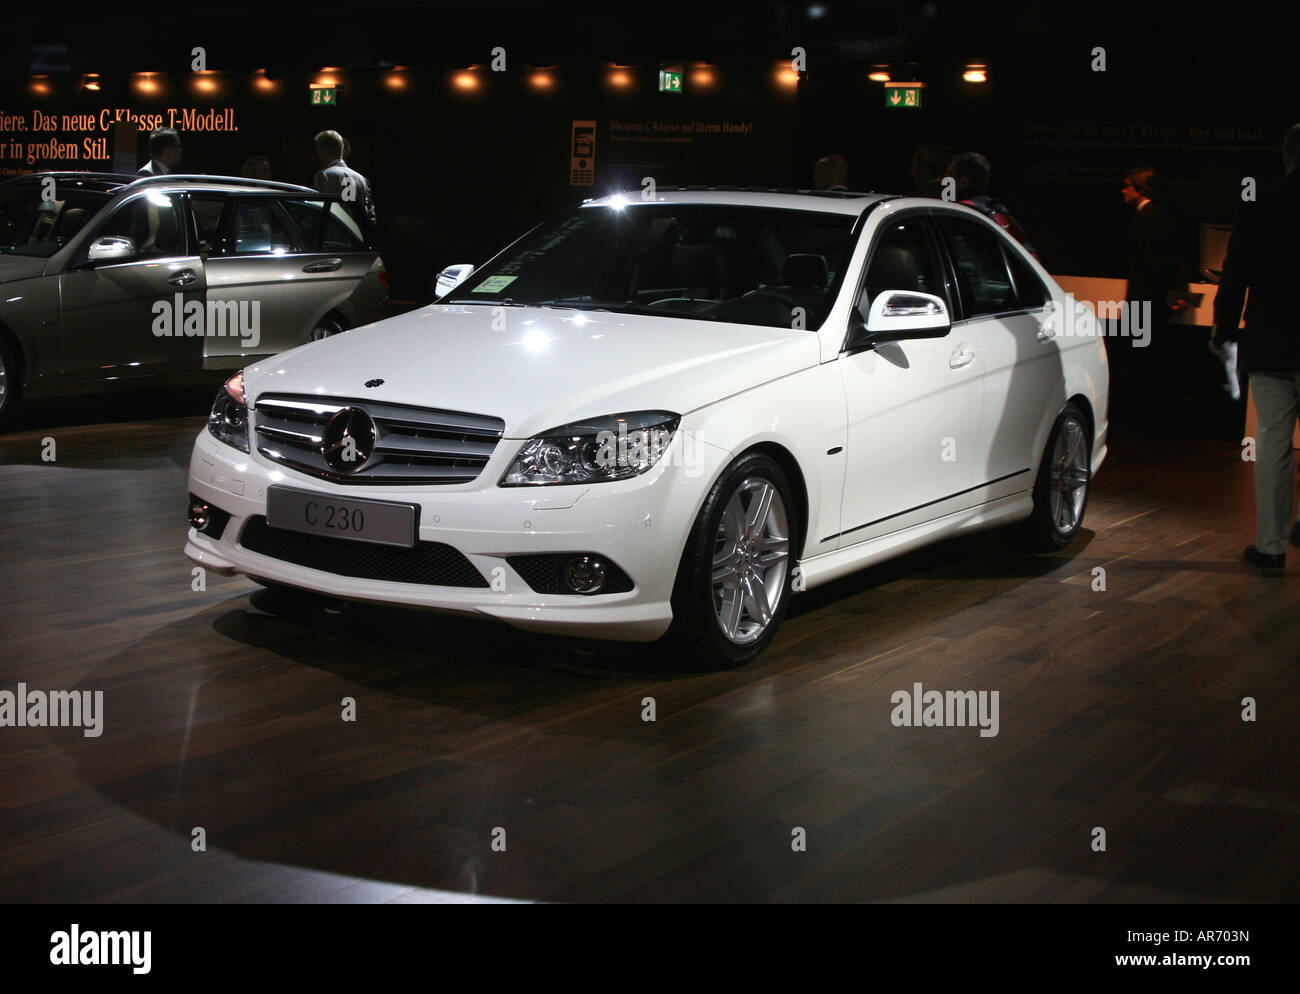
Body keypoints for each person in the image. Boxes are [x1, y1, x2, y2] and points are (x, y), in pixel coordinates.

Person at [1211, 123, 1300, 572]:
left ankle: (1271, 545)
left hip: (1273, 337)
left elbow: (1235, 273)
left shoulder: (1260, 202)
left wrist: (1224, 329)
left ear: (1287, 157)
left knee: (1273, 443)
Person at [945, 151, 1039, 259]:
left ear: (963, 181)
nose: (944, 181)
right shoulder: (997, 210)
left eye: (950, 175)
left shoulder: (959, 213)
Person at [311, 130, 375, 233]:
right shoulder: (362, 179)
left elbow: (317, 213)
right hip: (358, 239)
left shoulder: (324, 176)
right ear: (341, 149)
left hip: (334, 239)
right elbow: (370, 217)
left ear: (321, 151)